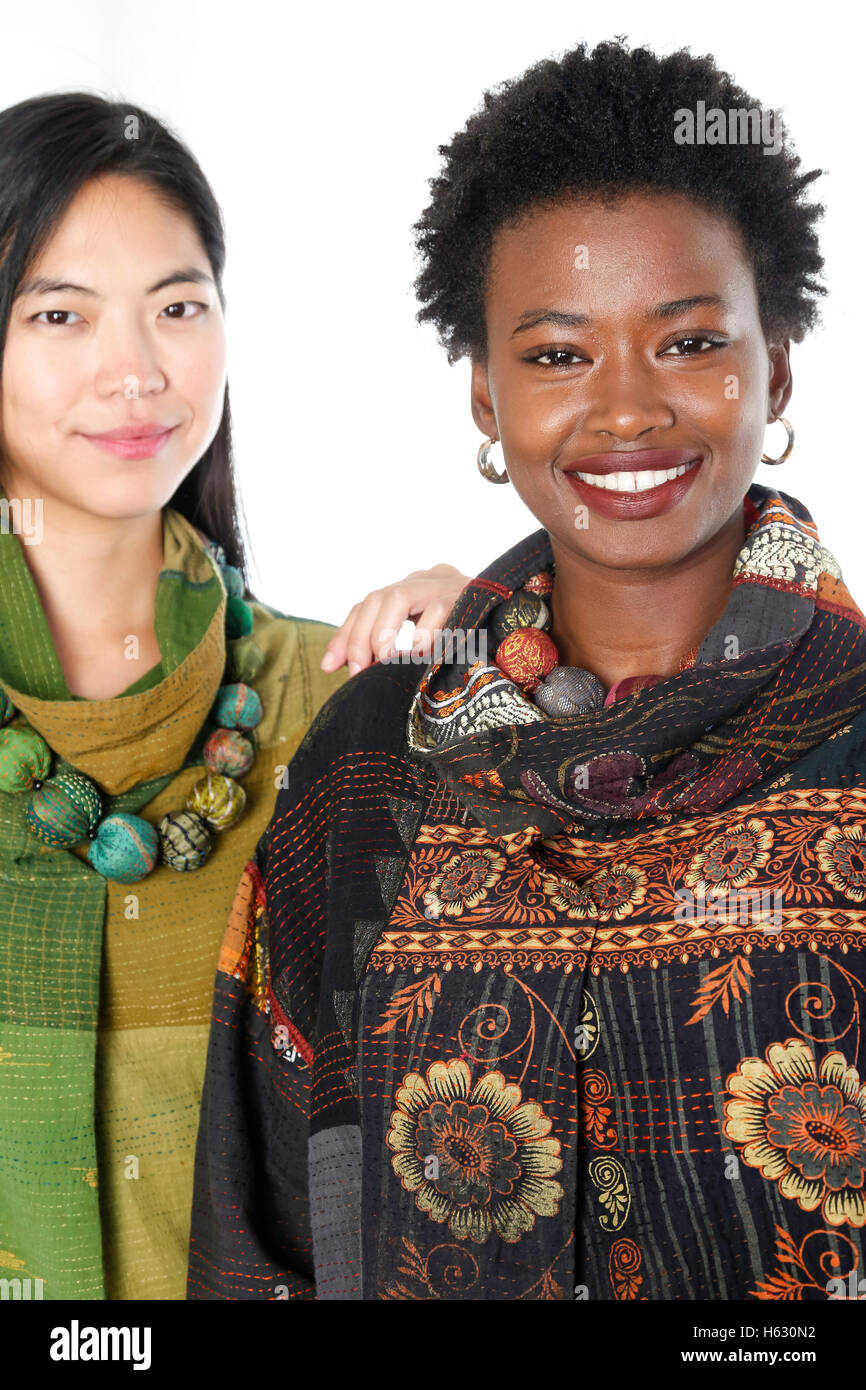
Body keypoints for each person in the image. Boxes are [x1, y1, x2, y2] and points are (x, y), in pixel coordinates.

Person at [188, 37, 866, 1301]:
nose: (622, 409)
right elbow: (258, 1230)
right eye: (556, 354)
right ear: (486, 404)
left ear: (775, 365)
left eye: (687, 343)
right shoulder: (370, 763)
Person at [0, 91, 470, 1302]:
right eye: (61, 313)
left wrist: (507, 658)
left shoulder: (336, 714)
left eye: (178, 306)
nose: (136, 370)